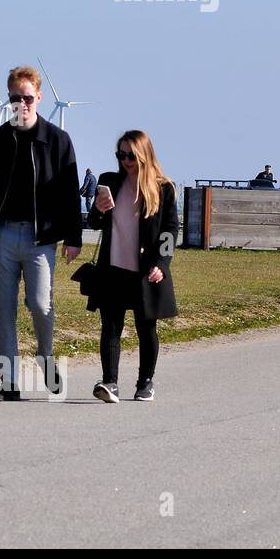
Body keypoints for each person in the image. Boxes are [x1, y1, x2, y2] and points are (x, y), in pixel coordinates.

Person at [0, 65, 84, 400]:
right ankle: (9, 384)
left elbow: (70, 193)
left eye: (28, 97)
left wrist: (73, 237)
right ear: (8, 99)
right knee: (3, 310)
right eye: (15, 98)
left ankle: (45, 356)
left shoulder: (58, 141)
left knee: (40, 305)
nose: (22, 104)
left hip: (40, 239)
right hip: (3, 235)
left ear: (39, 97)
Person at [86, 130, 178, 403]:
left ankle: (145, 382)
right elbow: (93, 222)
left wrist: (162, 262)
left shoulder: (163, 188)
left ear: (144, 155)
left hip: (145, 270)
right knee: (110, 327)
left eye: (131, 155)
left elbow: (170, 231)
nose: (125, 160)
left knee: (146, 328)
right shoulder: (109, 182)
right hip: (113, 266)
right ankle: (110, 383)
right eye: (120, 154)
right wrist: (99, 209)